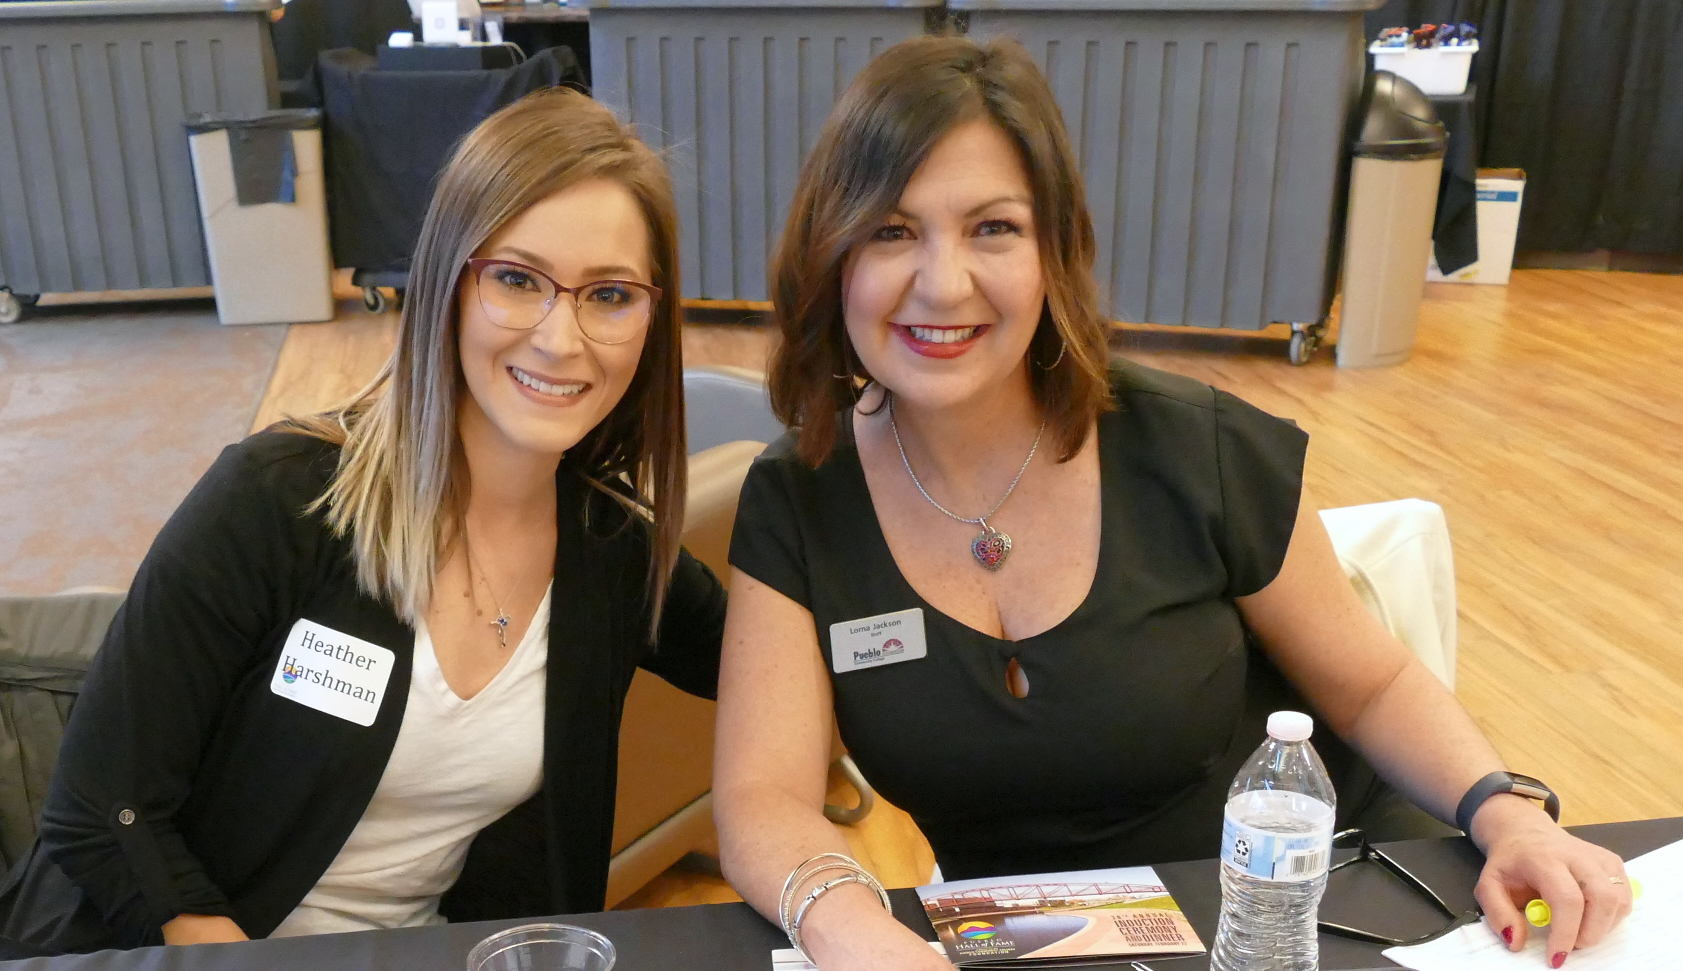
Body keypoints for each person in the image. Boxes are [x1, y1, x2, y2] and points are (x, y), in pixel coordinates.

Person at [713, 36, 1632, 971]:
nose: (943, 282)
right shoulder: (800, 496)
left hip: (1313, 905)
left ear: (1054, 251)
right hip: (1040, 940)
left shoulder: (1197, 446)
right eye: (891, 230)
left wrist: (1505, 811)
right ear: (831, 253)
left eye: (993, 227)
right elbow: (763, 797)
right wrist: (850, 926)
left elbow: (1372, 684)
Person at [0, 87, 725, 953]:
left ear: (651, 316)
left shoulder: (614, 554)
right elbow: (97, 805)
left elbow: (779, 653)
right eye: (516, 279)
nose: (559, 337)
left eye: (608, 294)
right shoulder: (279, 500)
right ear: (447, 282)